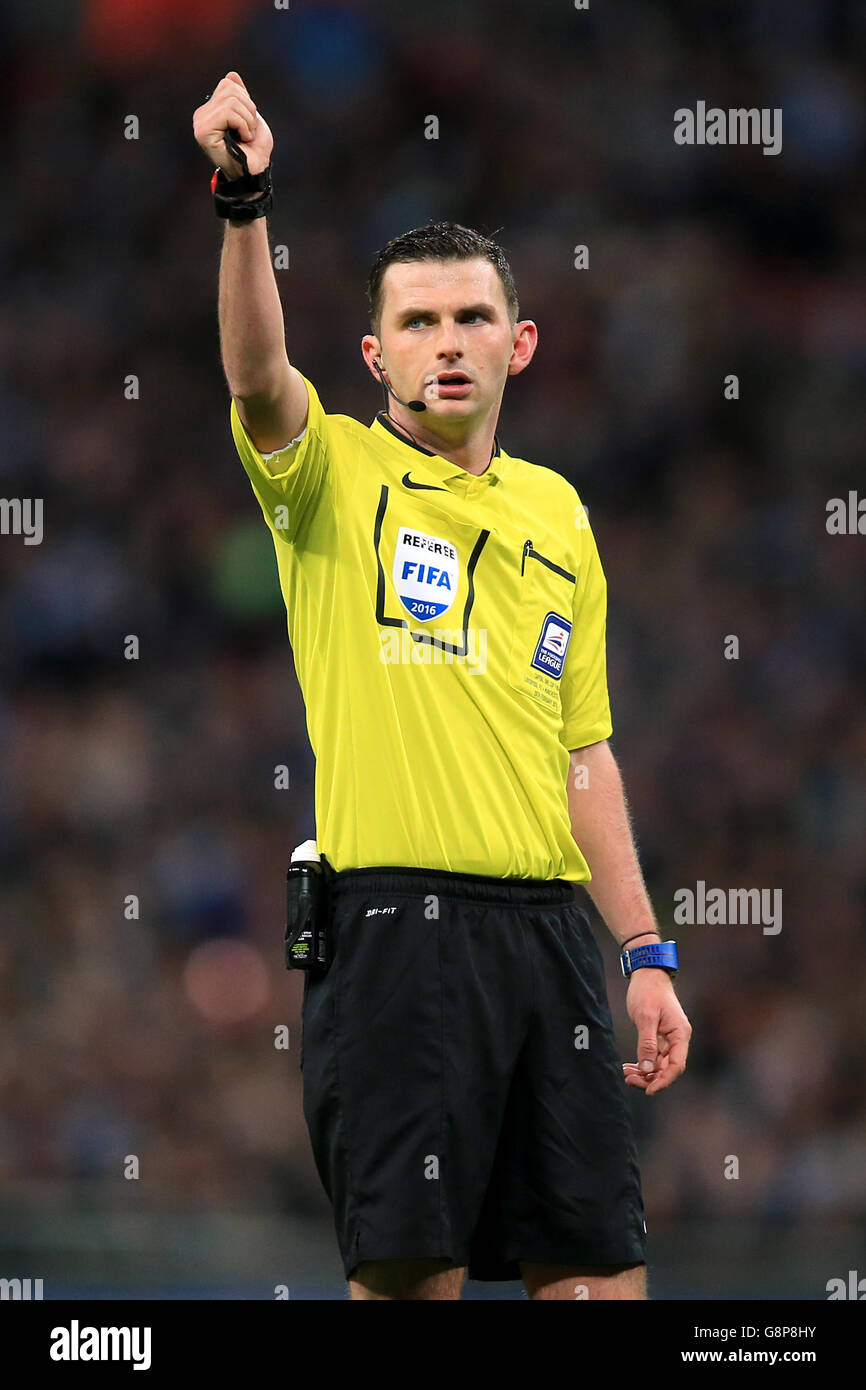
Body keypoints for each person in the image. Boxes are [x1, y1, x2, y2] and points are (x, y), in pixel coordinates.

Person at [194, 72, 692, 1302]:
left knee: (596, 1279)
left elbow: (582, 750)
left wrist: (642, 948)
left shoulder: (555, 512)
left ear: (516, 343)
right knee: (414, 1283)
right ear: (373, 354)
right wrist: (245, 201)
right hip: (395, 937)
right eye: (415, 323)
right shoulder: (329, 479)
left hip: (550, 945)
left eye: (471, 317)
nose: (446, 342)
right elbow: (259, 381)